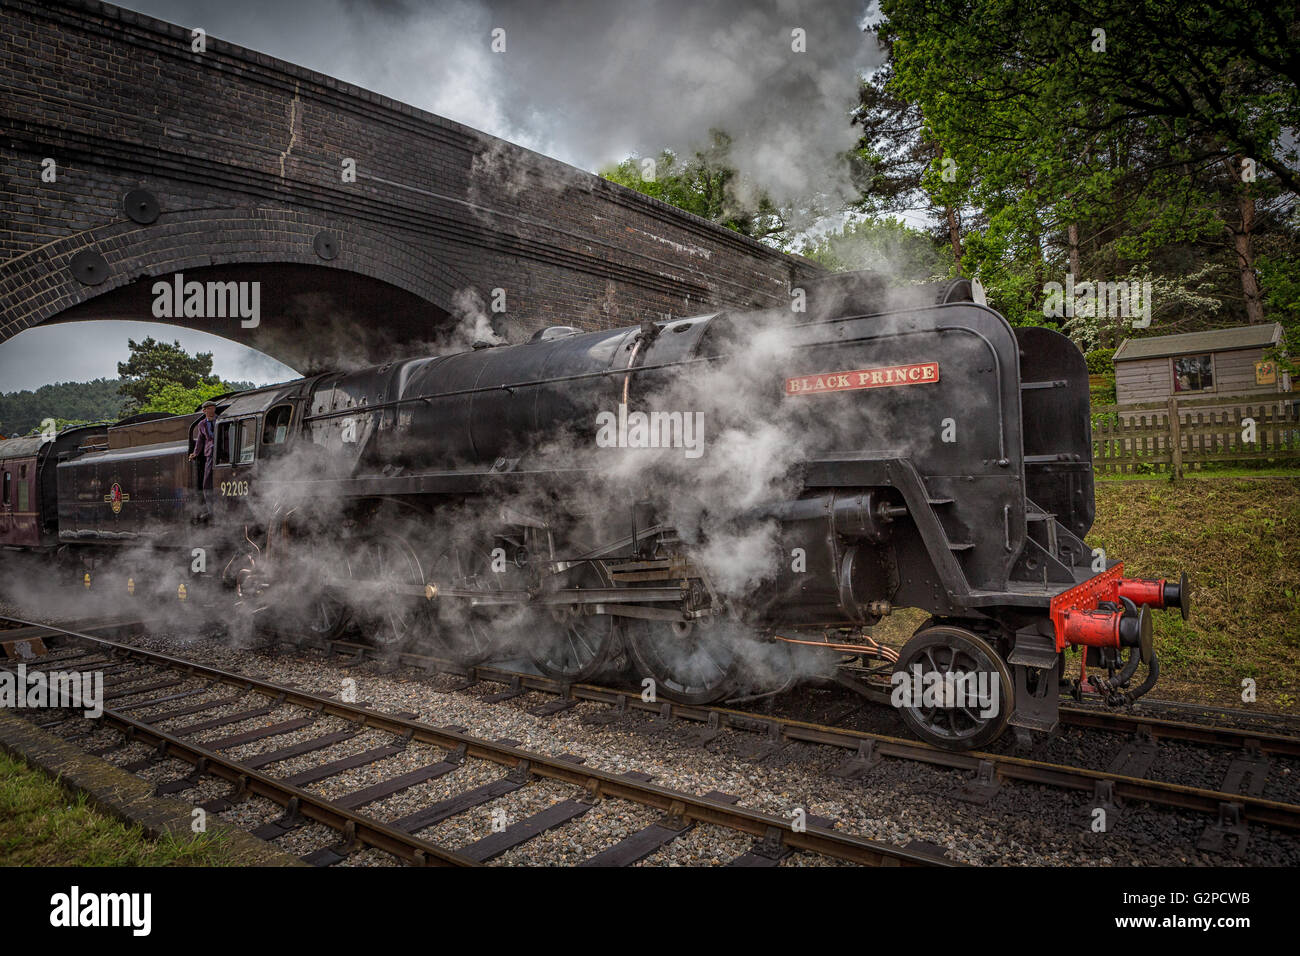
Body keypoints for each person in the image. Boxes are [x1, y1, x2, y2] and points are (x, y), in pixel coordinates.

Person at [188, 401, 218, 518]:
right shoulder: (201, 424)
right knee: (206, 483)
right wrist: (195, 453)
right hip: (209, 454)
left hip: (221, 452)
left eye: (213, 408)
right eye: (209, 409)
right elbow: (200, 440)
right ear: (204, 411)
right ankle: (210, 509)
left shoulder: (220, 420)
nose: (211, 411)